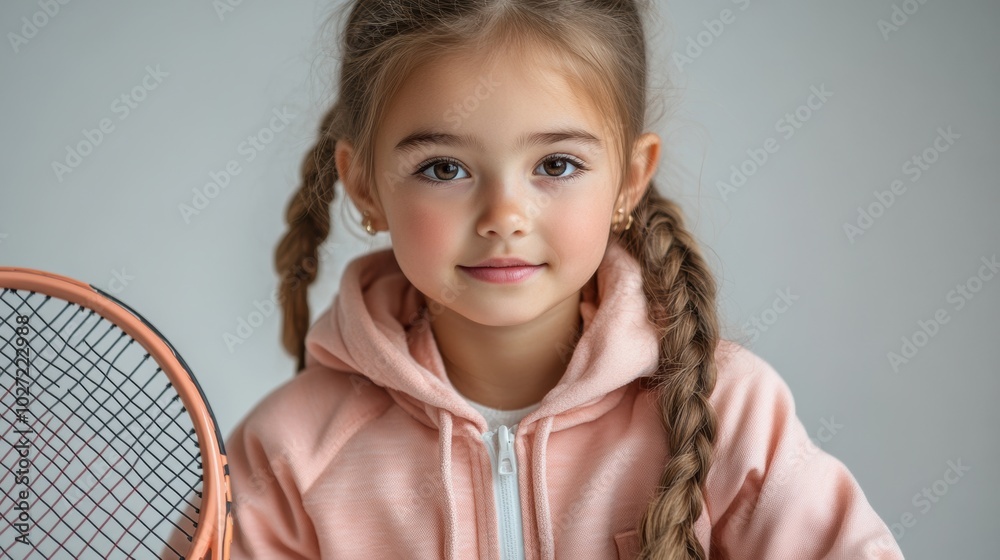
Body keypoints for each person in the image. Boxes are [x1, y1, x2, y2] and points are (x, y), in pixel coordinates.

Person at [225, 0, 905, 558]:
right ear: (365, 186)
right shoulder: (288, 454)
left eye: (555, 165)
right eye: (443, 168)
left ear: (629, 180)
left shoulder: (735, 413)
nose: (504, 217)